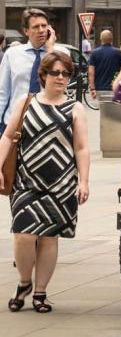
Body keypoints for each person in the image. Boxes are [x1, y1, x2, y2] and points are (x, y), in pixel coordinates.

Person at [0, 50, 90, 314]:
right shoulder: (26, 102)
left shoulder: (75, 108)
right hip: (27, 181)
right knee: (23, 235)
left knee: (50, 238)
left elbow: (82, 148)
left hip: (61, 184)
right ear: (43, 75)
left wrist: (83, 181)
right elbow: (7, 137)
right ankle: (24, 282)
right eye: (56, 73)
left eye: (66, 73)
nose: (61, 78)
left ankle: (40, 293)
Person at [0, 8, 58, 126]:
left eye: (44, 26)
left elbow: (58, 87)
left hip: (47, 123)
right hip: (15, 122)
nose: (41, 30)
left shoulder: (59, 54)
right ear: (26, 31)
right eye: (36, 27)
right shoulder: (12, 54)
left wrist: (50, 50)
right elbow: (3, 91)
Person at [87, 30, 121, 101]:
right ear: (111, 39)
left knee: (103, 109)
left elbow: (91, 72)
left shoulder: (94, 53)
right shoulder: (118, 53)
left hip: (100, 88)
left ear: (101, 39)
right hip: (115, 88)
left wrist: (92, 88)